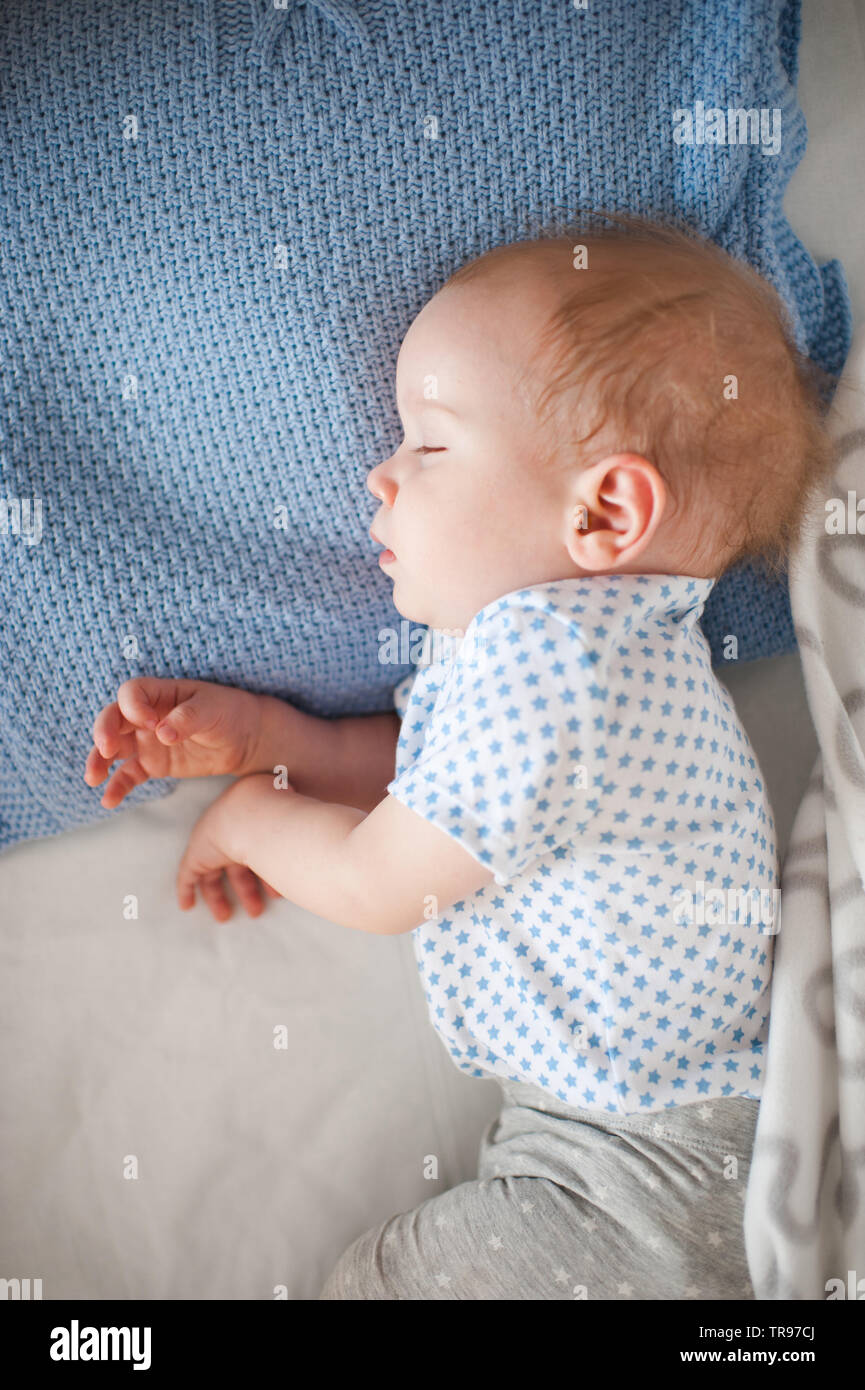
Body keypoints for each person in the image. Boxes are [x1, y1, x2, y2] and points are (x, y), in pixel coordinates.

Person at [83, 216, 833, 1298]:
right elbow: (425, 787)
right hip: (653, 1163)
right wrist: (272, 741)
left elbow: (386, 880)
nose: (381, 478)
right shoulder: (589, 656)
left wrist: (248, 814)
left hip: (635, 1181)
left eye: (429, 443)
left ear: (606, 509)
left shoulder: (554, 661)